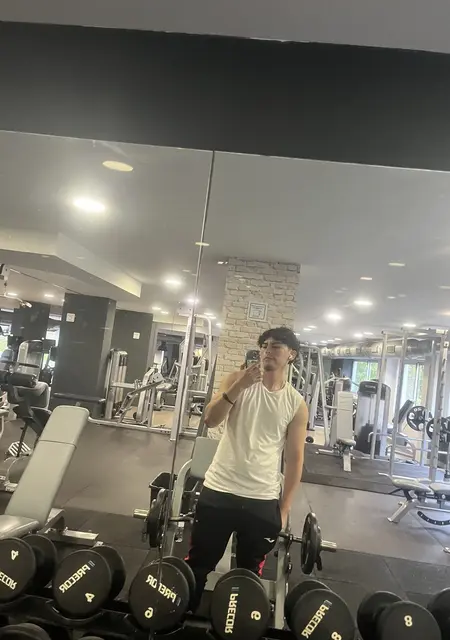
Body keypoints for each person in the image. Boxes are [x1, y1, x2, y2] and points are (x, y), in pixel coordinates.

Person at [185, 326, 308, 608]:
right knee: (198, 565)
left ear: (291, 355)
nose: (267, 351)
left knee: (249, 574)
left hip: (261, 499)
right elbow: (211, 421)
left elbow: (294, 459)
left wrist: (284, 508)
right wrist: (240, 386)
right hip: (219, 490)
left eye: (276, 346)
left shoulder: (296, 404)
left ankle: (239, 623)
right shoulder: (235, 380)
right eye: (264, 346)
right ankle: (182, 618)